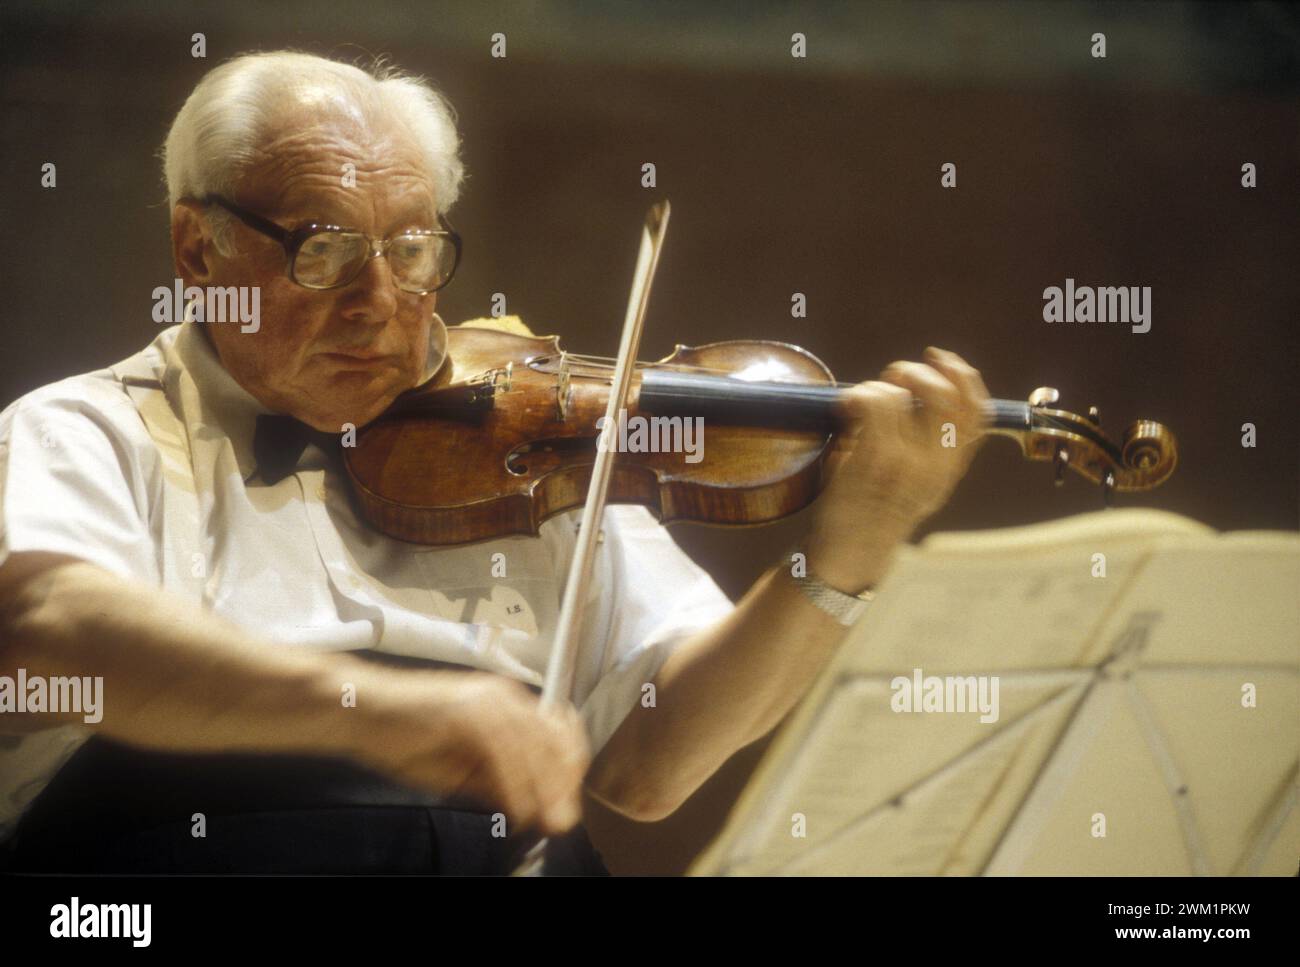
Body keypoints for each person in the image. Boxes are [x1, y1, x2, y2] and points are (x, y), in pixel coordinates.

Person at [0, 51, 989, 874]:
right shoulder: (88, 431)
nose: (380, 299)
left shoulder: (525, 441)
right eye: (325, 249)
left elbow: (655, 759)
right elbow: (50, 631)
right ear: (199, 249)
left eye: (415, 249)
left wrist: (849, 551)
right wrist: (383, 716)